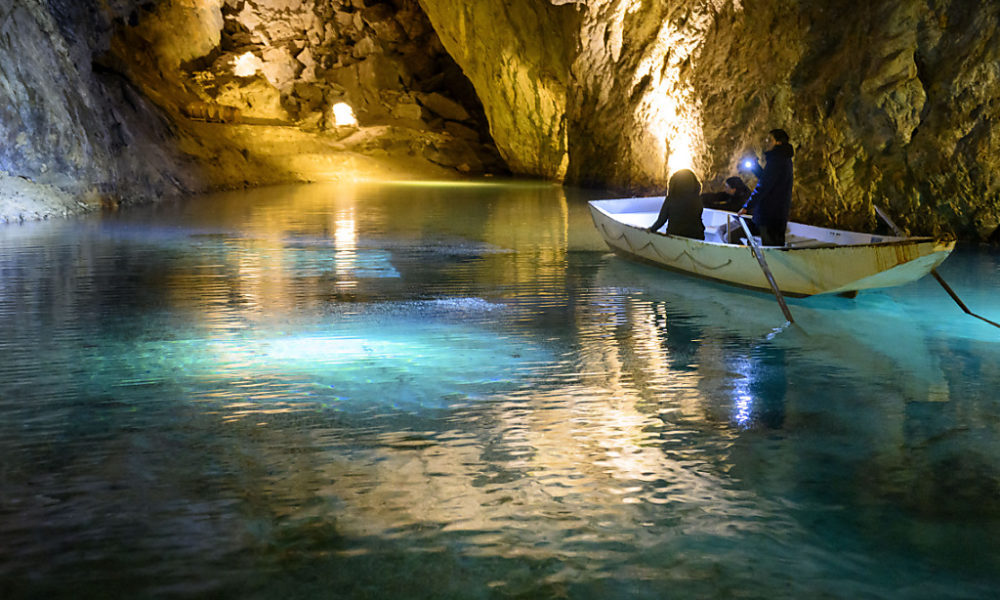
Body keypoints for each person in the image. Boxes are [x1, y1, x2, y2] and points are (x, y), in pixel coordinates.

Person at [737, 128, 794, 246]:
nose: (767, 142)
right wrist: (756, 168)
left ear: (778, 142)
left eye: (770, 140)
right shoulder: (784, 159)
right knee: (776, 245)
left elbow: (763, 186)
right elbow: (769, 180)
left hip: (770, 213)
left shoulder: (776, 160)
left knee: (771, 248)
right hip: (779, 212)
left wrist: (747, 206)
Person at [647, 168, 704, 240]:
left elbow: (661, 221)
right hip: (697, 237)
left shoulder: (671, 199)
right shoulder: (697, 199)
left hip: (674, 237)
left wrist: (650, 230)